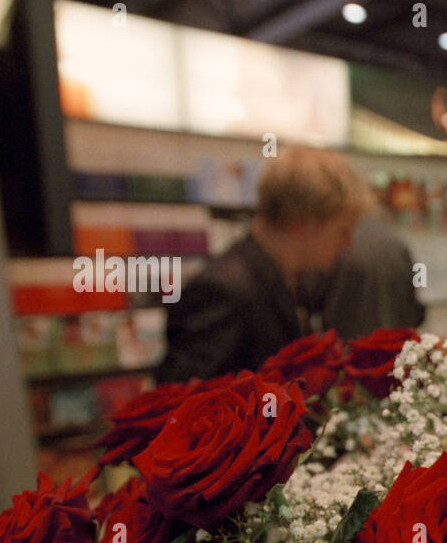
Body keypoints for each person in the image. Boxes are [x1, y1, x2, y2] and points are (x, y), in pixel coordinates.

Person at [157, 147, 372, 383]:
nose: (348, 243)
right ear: (301, 221)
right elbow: (183, 403)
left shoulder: (297, 277)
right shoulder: (224, 290)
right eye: (343, 230)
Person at [315, 213, 425, 339]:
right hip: (394, 347)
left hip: (346, 348)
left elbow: (312, 297)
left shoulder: (336, 245)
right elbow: (417, 308)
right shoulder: (399, 245)